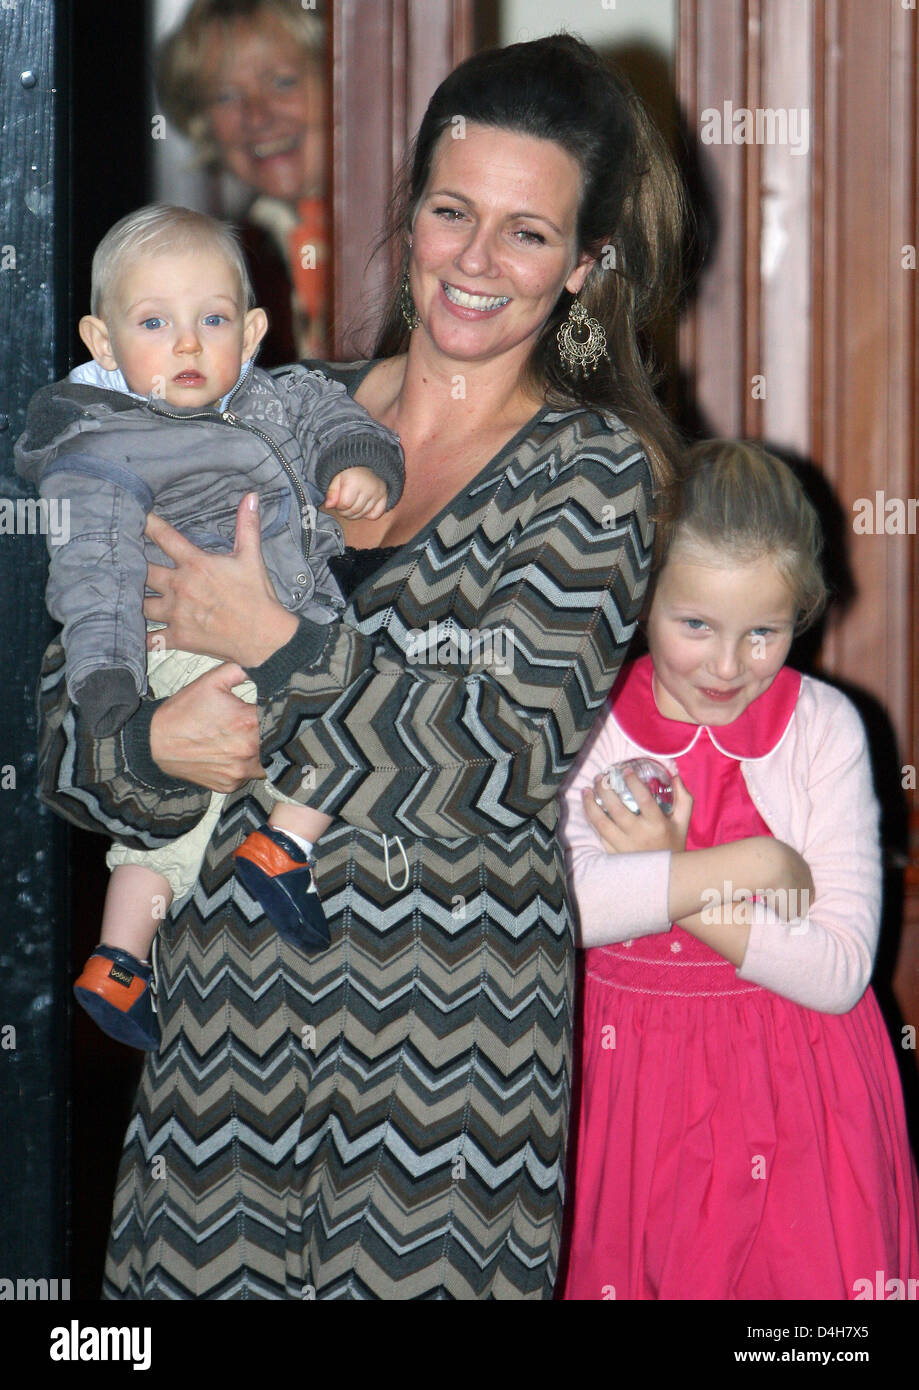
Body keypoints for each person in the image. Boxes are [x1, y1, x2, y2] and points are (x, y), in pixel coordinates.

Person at [37, 35, 686, 1299]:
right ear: (411, 210)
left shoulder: (594, 475)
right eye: (452, 213)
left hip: (445, 1077)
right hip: (217, 1052)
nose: (477, 263)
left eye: (528, 233)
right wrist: (151, 754)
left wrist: (272, 647)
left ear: (585, 264)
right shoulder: (263, 411)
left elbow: (490, 755)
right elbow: (72, 713)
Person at [16, 204, 403, 1050]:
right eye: (155, 323)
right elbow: (94, 586)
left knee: (215, 808)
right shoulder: (101, 454)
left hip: (269, 635)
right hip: (183, 657)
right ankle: (264, 861)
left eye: (213, 320)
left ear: (254, 329)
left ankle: (125, 956)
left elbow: (337, 421)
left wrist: (357, 464)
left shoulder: (278, 394)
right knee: (330, 727)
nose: (188, 346)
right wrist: (115, 701)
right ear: (103, 341)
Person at [559, 440, 919, 1300]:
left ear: (800, 613)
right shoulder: (587, 716)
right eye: (695, 626)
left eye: (762, 632)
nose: (727, 667)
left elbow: (833, 971)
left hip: (803, 1104)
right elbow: (566, 907)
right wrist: (750, 866)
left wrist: (665, 874)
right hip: (627, 1103)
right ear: (641, 599)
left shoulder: (824, 728)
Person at [156, 0, 329, 364]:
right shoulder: (223, 267)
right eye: (226, 96)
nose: (257, 115)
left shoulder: (407, 232)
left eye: (283, 82)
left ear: (337, 82)